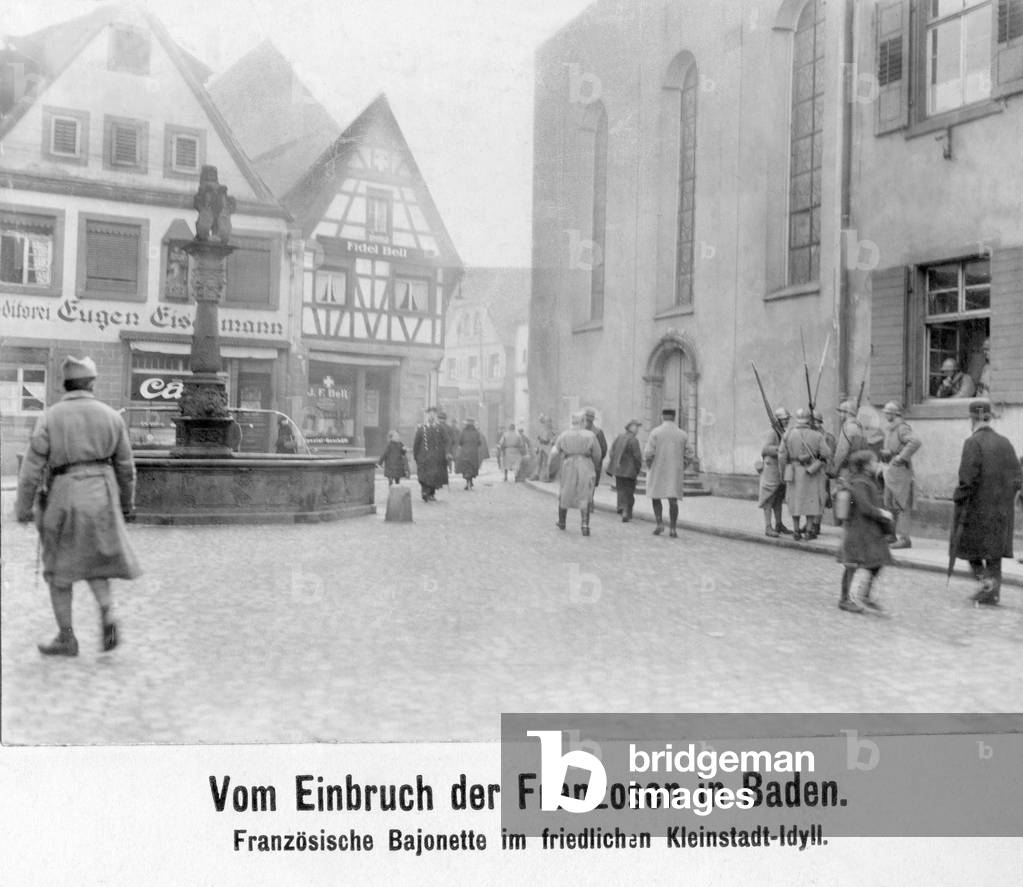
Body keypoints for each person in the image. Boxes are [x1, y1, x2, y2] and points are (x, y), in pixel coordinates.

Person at [14, 356, 141, 656]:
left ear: (65, 384)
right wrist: (127, 504)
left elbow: (31, 469)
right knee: (97, 563)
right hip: (103, 495)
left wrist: (23, 508)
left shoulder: (50, 416)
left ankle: (66, 637)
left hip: (64, 496)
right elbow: (126, 467)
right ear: (92, 383)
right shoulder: (112, 416)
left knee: (59, 570)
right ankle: (108, 613)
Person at [951, 399, 1023, 605]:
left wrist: (958, 499)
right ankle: (992, 593)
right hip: (1001, 510)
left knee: (969, 550)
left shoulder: (972, 442)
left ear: (972, 419)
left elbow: (967, 479)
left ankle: (987, 584)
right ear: (989, 418)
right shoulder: (1005, 442)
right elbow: (1018, 477)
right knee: (994, 554)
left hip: (977, 510)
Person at [836, 450, 894, 614]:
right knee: (851, 566)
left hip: (867, 530)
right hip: (858, 531)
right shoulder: (860, 482)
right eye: (875, 462)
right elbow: (865, 507)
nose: (878, 465)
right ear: (867, 466)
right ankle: (844, 600)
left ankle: (865, 595)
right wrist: (883, 513)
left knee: (877, 561)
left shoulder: (865, 480)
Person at [777, 407, 831, 541]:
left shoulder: (788, 434)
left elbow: (781, 456)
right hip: (811, 472)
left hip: (794, 471)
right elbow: (827, 453)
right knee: (810, 501)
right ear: (809, 420)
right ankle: (808, 531)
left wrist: (782, 472)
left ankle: (796, 531)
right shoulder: (817, 435)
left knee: (795, 502)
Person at [644, 407, 693, 538]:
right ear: (674, 417)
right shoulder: (682, 434)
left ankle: (659, 523)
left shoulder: (655, 432)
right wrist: (682, 466)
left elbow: (648, 453)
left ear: (662, 417)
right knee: (673, 500)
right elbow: (690, 455)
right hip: (674, 472)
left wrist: (650, 466)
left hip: (657, 469)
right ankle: (673, 528)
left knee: (655, 496)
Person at [551, 412, 601, 536]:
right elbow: (597, 454)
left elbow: (554, 452)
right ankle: (585, 526)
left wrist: (552, 467)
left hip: (568, 465)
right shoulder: (590, 435)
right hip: (585, 465)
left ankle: (562, 522)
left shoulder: (564, 435)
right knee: (585, 494)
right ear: (583, 421)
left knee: (565, 492)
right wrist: (593, 464)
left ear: (572, 421)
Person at [880, 402, 921, 549]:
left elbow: (915, 442)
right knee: (889, 503)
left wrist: (901, 457)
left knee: (902, 504)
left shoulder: (902, 428)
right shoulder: (891, 428)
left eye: (887, 412)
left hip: (900, 471)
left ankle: (904, 538)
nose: (885, 415)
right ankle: (891, 535)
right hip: (890, 470)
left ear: (894, 413)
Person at [757, 407, 791, 537]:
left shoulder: (782, 431)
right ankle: (768, 526)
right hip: (771, 469)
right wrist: (781, 449)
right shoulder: (772, 433)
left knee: (778, 499)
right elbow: (765, 449)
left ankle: (778, 524)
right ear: (778, 421)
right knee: (769, 499)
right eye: (784, 419)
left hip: (780, 469)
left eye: (787, 419)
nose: (787, 421)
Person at [607, 419, 643, 522]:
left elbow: (612, 452)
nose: (638, 430)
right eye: (637, 427)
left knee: (621, 490)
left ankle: (621, 508)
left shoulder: (619, 437)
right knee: (629, 492)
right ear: (632, 428)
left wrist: (615, 464)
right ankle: (626, 512)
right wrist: (637, 469)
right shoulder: (634, 440)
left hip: (619, 470)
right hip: (630, 471)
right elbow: (637, 457)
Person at [412, 406, 449, 502]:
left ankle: (431, 493)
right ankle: (424, 492)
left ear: (436, 416)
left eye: (433, 415)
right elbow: (416, 443)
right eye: (429, 415)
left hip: (436, 457)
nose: (431, 417)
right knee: (423, 476)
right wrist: (416, 456)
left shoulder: (440, 429)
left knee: (434, 476)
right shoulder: (422, 429)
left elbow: (447, 441)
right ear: (426, 416)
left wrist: (446, 453)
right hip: (424, 457)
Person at [832, 400, 868, 482]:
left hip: (847, 469)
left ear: (847, 413)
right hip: (860, 468)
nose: (840, 415)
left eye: (841, 412)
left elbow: (842, 451)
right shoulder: (860, 428)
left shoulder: (848, 428)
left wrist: (835, 469)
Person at [582, 408, 608, 509]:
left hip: (586, 462)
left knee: (585, 481)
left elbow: (604, 449)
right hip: (594, 463)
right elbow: (604, 449)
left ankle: (587, 501)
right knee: (591, 482)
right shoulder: (598, 432)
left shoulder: (582, 432)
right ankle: (589, 501)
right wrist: (598, 460)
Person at [455, 418, 488, 490]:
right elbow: (479, 442)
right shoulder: (476, 432)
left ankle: (468, 482)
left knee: (466, 467)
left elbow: (460, 442)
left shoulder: (463, 432)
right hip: (473, 453)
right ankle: (470, 481)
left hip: (465, 452)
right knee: (472, 467)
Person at [535, 414, 555, 481]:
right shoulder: (542, 429)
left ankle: (546, 477)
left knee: (546, 463)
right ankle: (537, 475)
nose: (546, 423)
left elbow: (550, 440)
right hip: (541, 448)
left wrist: (543, 441)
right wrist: (537, 447)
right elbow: (538, 439)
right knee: (539, 462)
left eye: (548, 422)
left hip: (547, 448)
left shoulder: (551, 430)